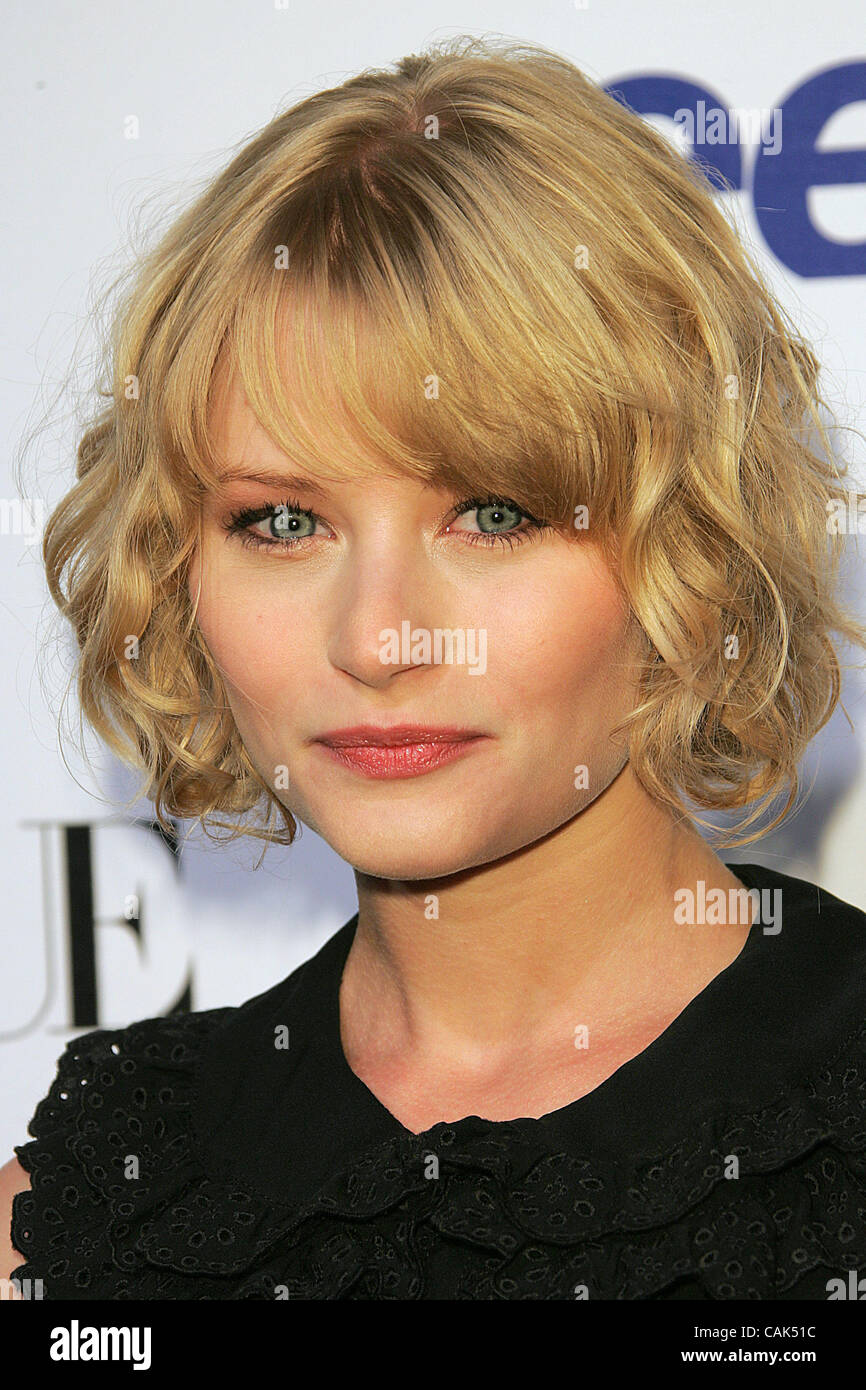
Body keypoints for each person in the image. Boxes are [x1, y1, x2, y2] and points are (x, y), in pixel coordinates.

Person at [3, 34, 866, 1300]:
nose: (377, 638)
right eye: (281, 522)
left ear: (688, 544)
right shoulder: (87, 1212)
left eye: (496, 510)